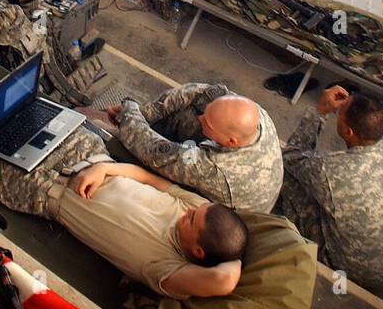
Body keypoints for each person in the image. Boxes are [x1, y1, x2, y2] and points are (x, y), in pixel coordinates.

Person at [0, 17, 248, 298]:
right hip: (87, 153)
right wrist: (107, 169)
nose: (186, 211)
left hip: (44, 188)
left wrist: (236, 258)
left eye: (192, 220)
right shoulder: (199, 213)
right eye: (194, 209)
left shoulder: (166, 270)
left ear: (198, 252)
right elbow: (156, 182)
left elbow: (222, 280)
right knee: (8, 104)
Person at [276, 85, 383, 290]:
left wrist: (320, 112)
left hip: (353, 273)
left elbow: (290, 157)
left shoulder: (328, 170)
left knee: (290, 179)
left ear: (348, 131)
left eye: (340, 114)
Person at [89, 82, 284, 212]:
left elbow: (151, 149)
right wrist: (145, 112)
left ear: (231, 142)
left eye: (208, 123)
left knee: (129, 149)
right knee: (187, 113)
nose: (201, 119)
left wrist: (129, 109)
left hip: (222, 213)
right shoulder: (255, 115)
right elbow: (199, 91)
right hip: (250, 181)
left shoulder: (214, 170)